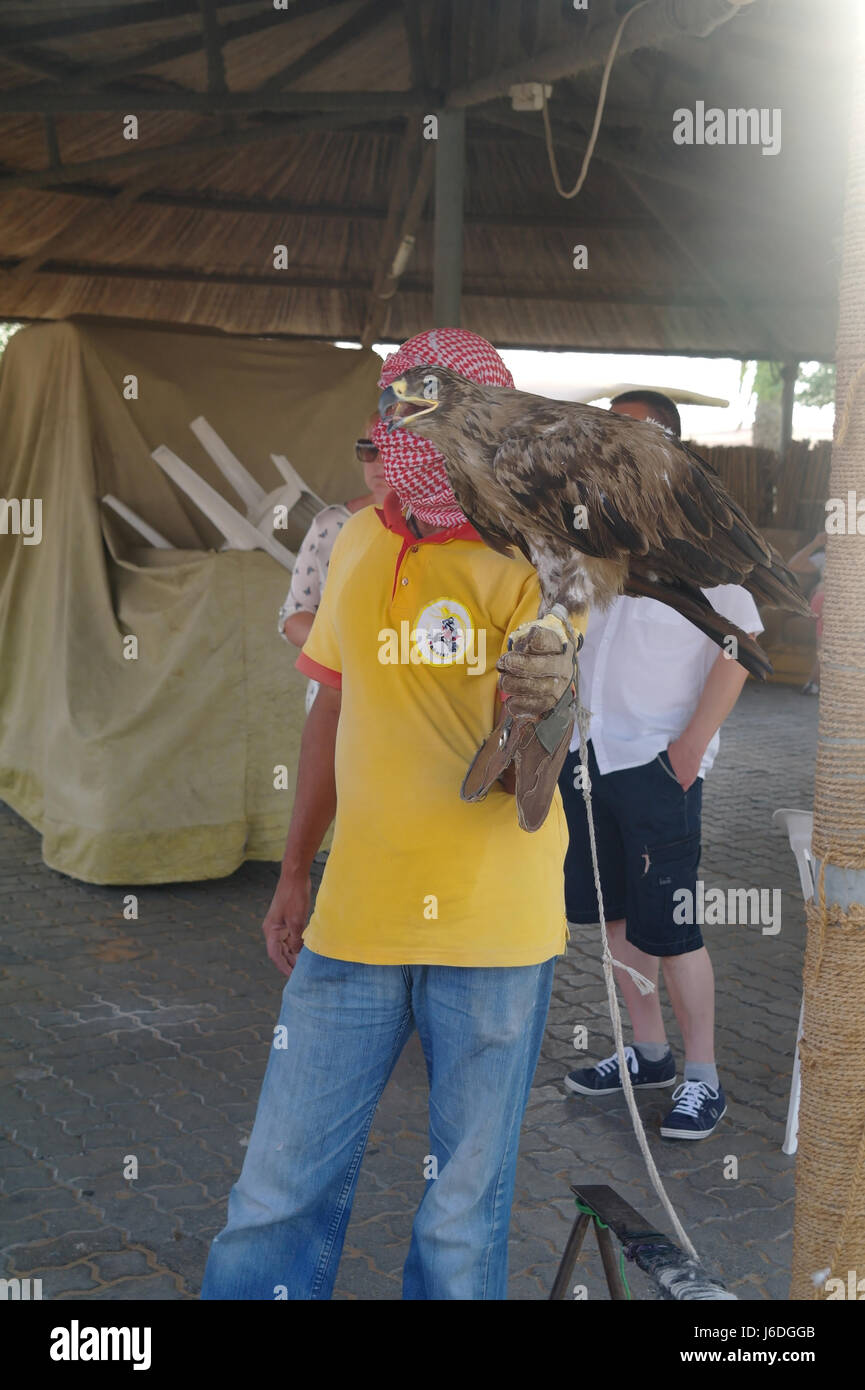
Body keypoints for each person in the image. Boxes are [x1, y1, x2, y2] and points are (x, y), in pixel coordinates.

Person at [201, 329, 584, 1301]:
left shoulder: (541, 564)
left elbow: (525, 761)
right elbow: (332, 707)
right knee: (274, 1194)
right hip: (352, 923)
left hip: (493, 934)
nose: (402, 455)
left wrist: (533, 731)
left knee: (459, 1223)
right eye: (396, 432)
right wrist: (295, 869)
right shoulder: (360, 541)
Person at [559, 389, 763, 1141]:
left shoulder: (701, 539)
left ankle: (703, 1076)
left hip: (655, 765)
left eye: (634, 434)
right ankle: (648, 1053)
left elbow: (740, 641)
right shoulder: (597, 538)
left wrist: (686, 750)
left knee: (672, 927)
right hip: (588, 756)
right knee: (613, 918)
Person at [279, 414, 389, 713]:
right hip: (335, 704)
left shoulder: (440, 531)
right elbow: (293, 617)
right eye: (369, 450)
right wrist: (352, 648)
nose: (378, 462)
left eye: (391, 448)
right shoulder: (332, 524)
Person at [788, 530, 826, 695]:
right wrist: (816, 543)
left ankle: (813, 682)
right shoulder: (825, 557)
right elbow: (793, 565)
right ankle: (814, 683)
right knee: (825, 645)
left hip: (843, 604)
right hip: (825, 602)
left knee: (824, 645)